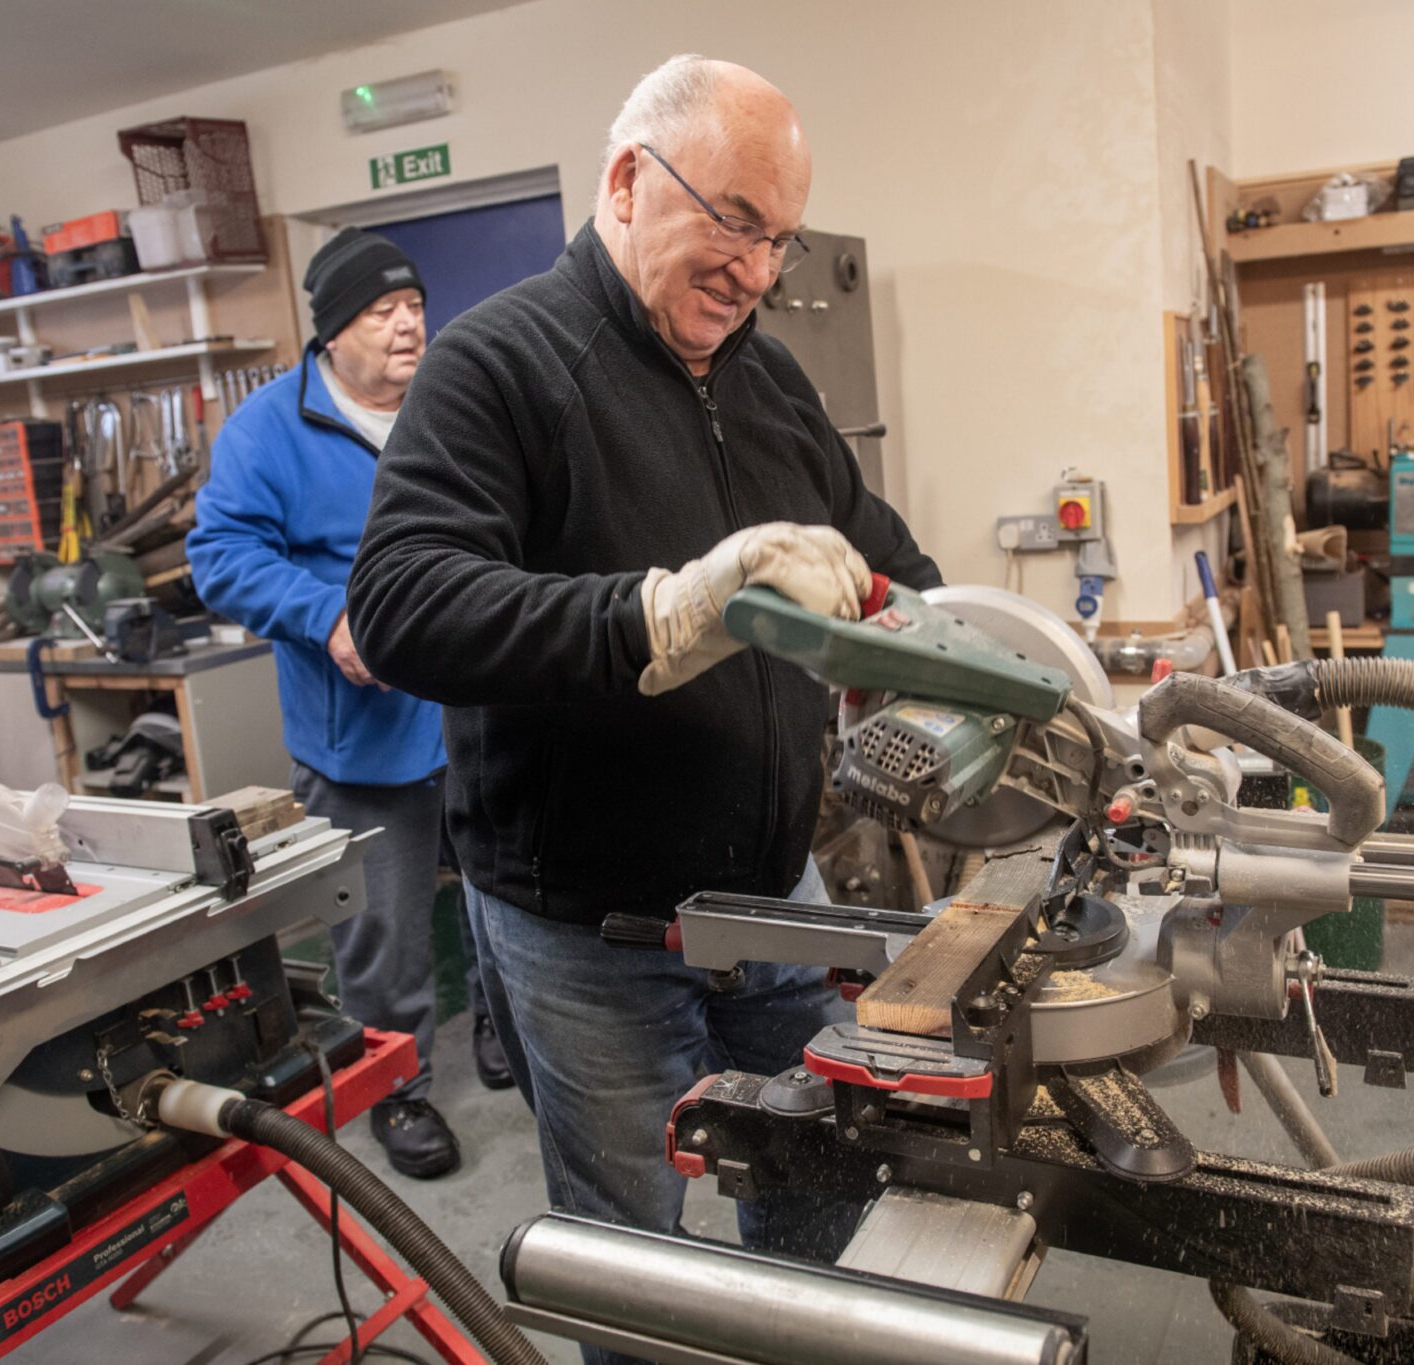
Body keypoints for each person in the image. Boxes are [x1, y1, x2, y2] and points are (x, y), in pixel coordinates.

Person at [345, 51, 940, 1321]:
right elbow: (400, 606)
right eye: (733, 222)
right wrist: (666, 611)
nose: (758, 270)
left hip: (778, 894)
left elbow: (889, 562)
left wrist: (974, 664)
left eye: (777, 239)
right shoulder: (497, 365)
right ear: (627, 179)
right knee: (640, 1267)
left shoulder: (767, 375)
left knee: (824, 1183)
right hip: (590, 932)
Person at [187, 227, 513, 1181]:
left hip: (483, 710)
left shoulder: (456, 400)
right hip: (361, 733)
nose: (410, 324)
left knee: (504, 889)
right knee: (378, 926)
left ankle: (499, 1029)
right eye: (383, 311)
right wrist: (327, 616)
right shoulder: (268, 430)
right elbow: (221, 558)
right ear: (332, 332)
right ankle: (397, 1084)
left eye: (414, 305)